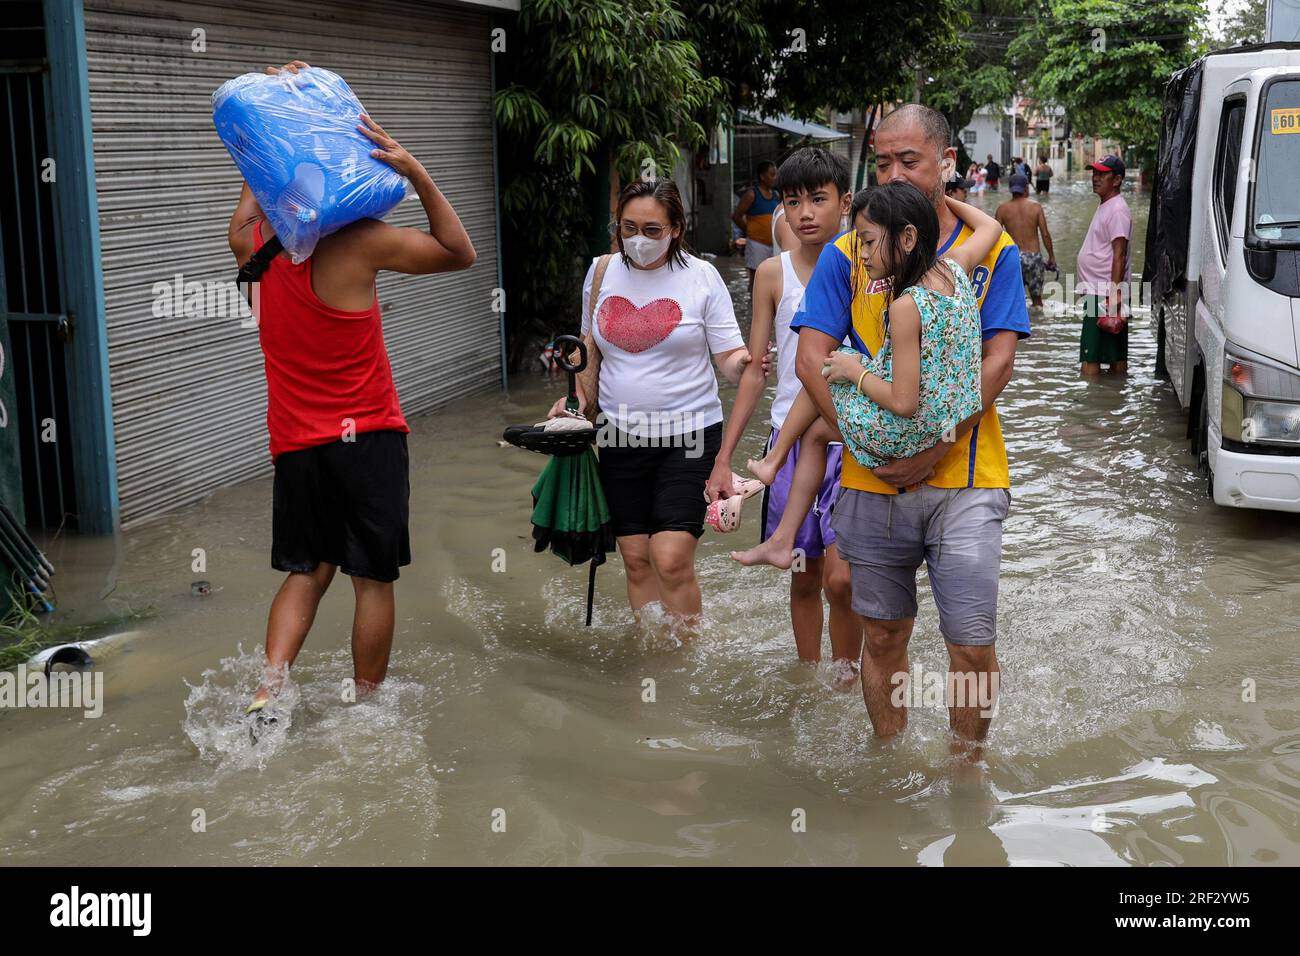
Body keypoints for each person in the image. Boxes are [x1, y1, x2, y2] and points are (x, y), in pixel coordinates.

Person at [228, 60, 476, 737]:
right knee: (373, 581)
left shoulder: (252, 245)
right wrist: (417, 170)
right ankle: (366, 710)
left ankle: (267, 692)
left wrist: (271, 116)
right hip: (367, 437)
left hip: (296, 446)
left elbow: (258, 184)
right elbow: (461, 253)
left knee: (307, 573)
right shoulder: (361, 243)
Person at [791, 105, 1030, 759]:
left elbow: (998, 362)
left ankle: (966, 771)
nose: (893, 172)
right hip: (873, 484)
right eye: (883, 160)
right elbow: (810, 361)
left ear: (946, 163)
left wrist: (936, 446)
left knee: (972, 643)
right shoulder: (849, 252)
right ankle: (890, 762)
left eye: (910, 160)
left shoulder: (989, 258)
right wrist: (871, 445)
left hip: (967, 477)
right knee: (885, 635)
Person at [736, 185, 1001, 571]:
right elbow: (990, 226)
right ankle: (779, 523)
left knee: (827, 367)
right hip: (940, 423)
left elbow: (902, 402)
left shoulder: (905, 307)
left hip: (903, 430)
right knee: (823, 412)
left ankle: (774, 471)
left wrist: (854, 372)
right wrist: (940, 200)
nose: (859, 255)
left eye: (867, 242)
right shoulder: (957, 271)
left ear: (908, 238)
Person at [549, 178, 754, 634]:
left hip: (692, 434)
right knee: (637, 559)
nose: (637, 240)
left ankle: (686, 652)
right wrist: (575, 401)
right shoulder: (600, 272)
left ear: (677, 228)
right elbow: (590, 350)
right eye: (628, 228)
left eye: (652, 229)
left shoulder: (702, 277)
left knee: (670, 556)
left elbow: (729, 359)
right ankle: (651, 650)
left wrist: (750, 362)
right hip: (619, 436)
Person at [709, 147, 861, 686]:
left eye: (818, 199)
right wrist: (724, 458)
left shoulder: (868, 265)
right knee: (802, 575)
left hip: (853, 438)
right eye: (793, 201)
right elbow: (754, 370)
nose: (805, 213)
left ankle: (846, 678)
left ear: (845, 203)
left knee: (843, 581)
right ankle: (809, 682)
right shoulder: (772, 274)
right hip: (791, 438)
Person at [1077, 155, 1132, 375]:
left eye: (1102, 174)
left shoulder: (1117, 210)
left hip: (1103, 293)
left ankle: (1089, 403)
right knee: (1114, 353)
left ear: (1117, 180)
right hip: (1104, 291)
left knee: (1091, 356)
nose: (1095, 178)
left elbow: (1120, 254)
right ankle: (1113, 398)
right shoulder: (1109, 206)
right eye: (1094, 173)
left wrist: (1114, 294)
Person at [995, 173, 1057, 308]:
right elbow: (1045, 234)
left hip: (1014, 258)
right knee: (1037, 302)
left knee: (1015, 301)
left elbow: (994, 237)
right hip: (1034, 258)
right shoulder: (1036, 208)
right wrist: (1051, 257)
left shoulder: (1002, 209)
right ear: (1026, 189)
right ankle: (1039, 327)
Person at [733, 161, 782, 289]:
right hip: (756, 244)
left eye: (775, 174)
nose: (775, 177)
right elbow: (736, 216)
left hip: (774, 245)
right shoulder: (752, 194)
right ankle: (753, 307)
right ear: (762, 176)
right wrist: (749, 231)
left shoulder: (776, 195)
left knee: (773, 280)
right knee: (755, 281)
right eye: (772, 174)